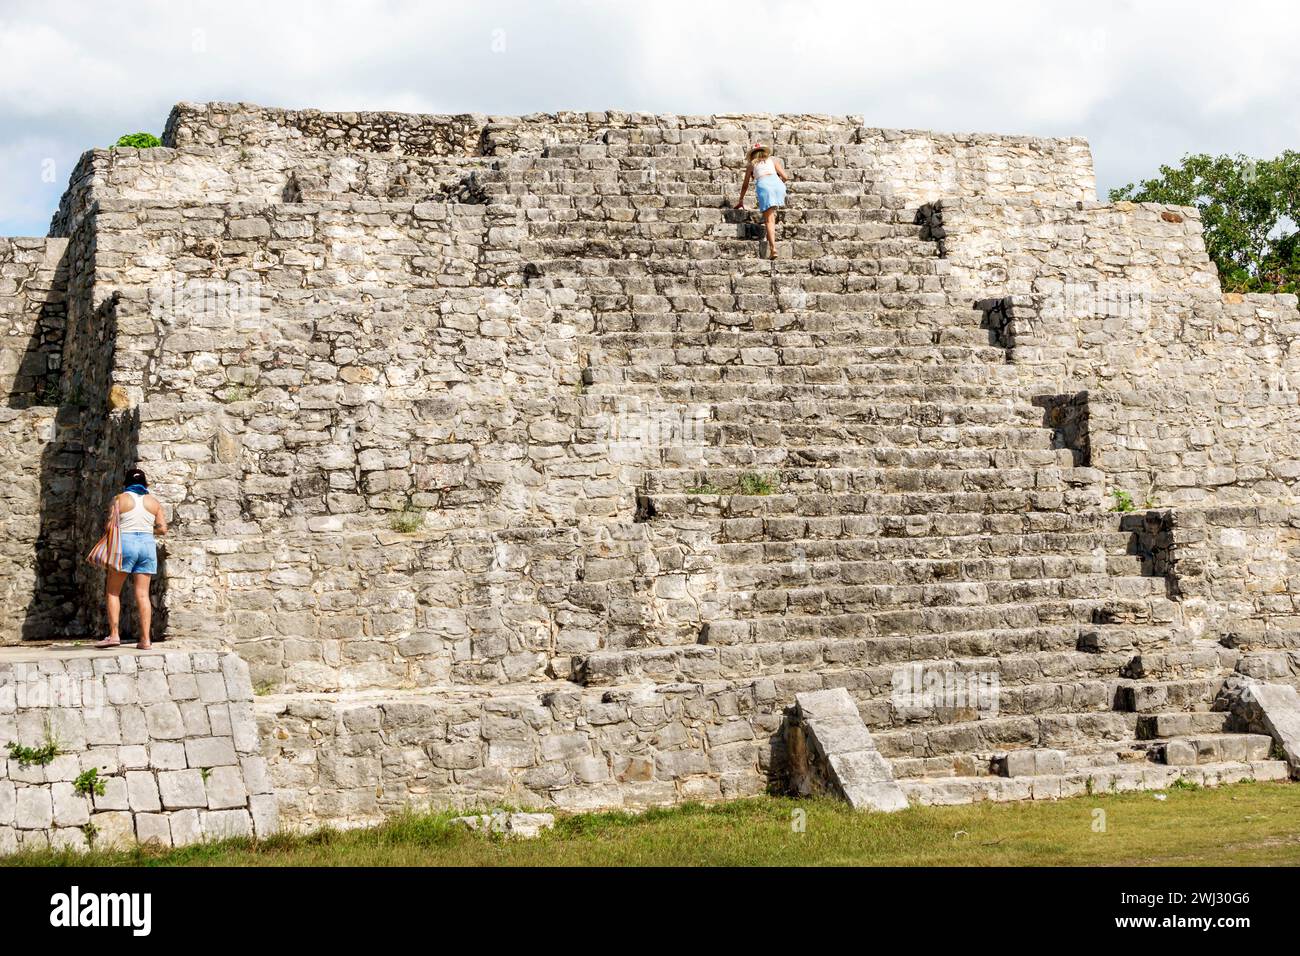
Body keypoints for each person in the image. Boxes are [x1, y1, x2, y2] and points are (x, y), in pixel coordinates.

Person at [94, 467, 167, 649]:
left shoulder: (120, 499)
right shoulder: (154, 502)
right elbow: (162, 529)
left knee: (113, 591)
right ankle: (145, 640)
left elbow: (110, 525)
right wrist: (147, 529)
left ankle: (114, 635)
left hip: (125, 544)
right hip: (147, 545)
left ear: (126, 483)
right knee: (143, 594)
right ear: (145, 484)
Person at [734, 142, 791, 260]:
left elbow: (745, 185)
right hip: (778, 185)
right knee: (771, 215)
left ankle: (773, 249)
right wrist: (776, 185)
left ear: (752, 155)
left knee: (769, 220)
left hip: (764, 186)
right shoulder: (773, 161)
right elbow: (785, 177)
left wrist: (741, 200)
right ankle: (772, 246)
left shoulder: (751, 165)